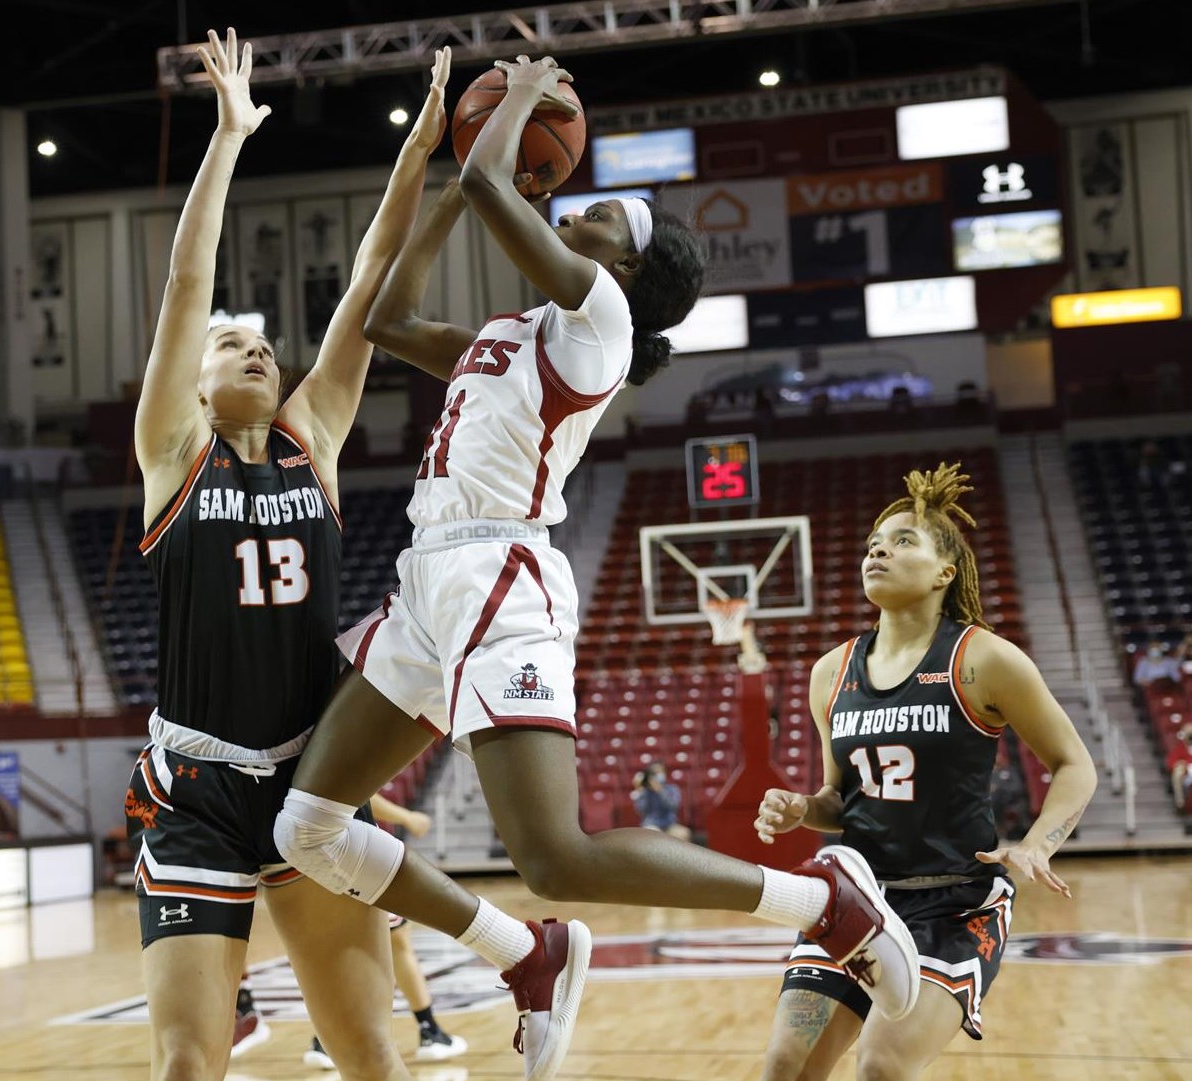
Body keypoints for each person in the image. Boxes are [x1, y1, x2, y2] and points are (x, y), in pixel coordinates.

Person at [272, 53, 921, 1081]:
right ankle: (523, 953)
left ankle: (823, 902)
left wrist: (519, 96)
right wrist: (447, 192)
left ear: (625, 268)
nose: (580, 211)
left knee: (555, 855)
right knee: (305, 825)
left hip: (497, 576)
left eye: (604, 217)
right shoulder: (513, 331)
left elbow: (496, 183)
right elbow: (387, 322)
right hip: (426, 580)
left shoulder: (600, 327)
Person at [125, 32, 451, 1081]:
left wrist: (427, 154)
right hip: (196, 791)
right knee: (187, 1062)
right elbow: (186, 284)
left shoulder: (314, 442)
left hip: (310, 786)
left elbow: (368, 281)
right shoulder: (172, 453)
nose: (253, 349)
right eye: (230, 348)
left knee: (370, 1053)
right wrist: (227, 138)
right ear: (196, 383)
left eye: (262, 343)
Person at [753, 463, 1098, 1081]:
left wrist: (1038, 845)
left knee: (881, 1066)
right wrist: (803, 807)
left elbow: (1074, 764)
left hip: (955, 902)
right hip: (857, 898)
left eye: (902, 540)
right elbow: (839, 797)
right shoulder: (831, 672)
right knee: (786, 1065)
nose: (878, 549)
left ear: (946, 571)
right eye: (872, 543)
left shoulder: (983, 659)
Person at [306, 795, 468, 1070]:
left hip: (307, 851)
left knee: (332, 947)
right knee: (397, 942)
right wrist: (407, 817)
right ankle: (430, 1032)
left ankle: (324, 1041)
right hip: (354, 847)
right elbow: (357, 792)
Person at [629, 762, 689, 840]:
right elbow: (641, 810)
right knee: (654, 835)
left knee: (683, 834)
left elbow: (674, 806)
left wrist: (660, 791)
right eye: (654, 773)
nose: (657, 775)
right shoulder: (645, 791)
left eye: (659, 772)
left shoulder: (672, 789)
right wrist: (640, 791)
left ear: (664, 773)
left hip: (670, 824)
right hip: (651, 824)